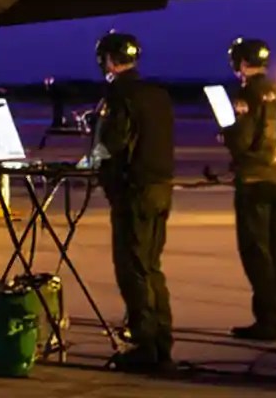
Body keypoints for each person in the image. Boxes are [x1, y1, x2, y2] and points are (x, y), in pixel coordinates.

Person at [93, 31, 176, 373]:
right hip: (161, 189)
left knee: (133, 269)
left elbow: (114, 141)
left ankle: (145, 344)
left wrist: (93, 161)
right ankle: (161, 342)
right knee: (151, 266)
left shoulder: (119, 95)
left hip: (135, 192)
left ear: (109, 61)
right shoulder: (157, 94)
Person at [221, 37, 276, 341]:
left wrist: (227, 131)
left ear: (241, 63)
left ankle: (269, 319)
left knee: (257, 252)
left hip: (254, 181)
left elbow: (242, 140)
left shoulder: (246, 95)